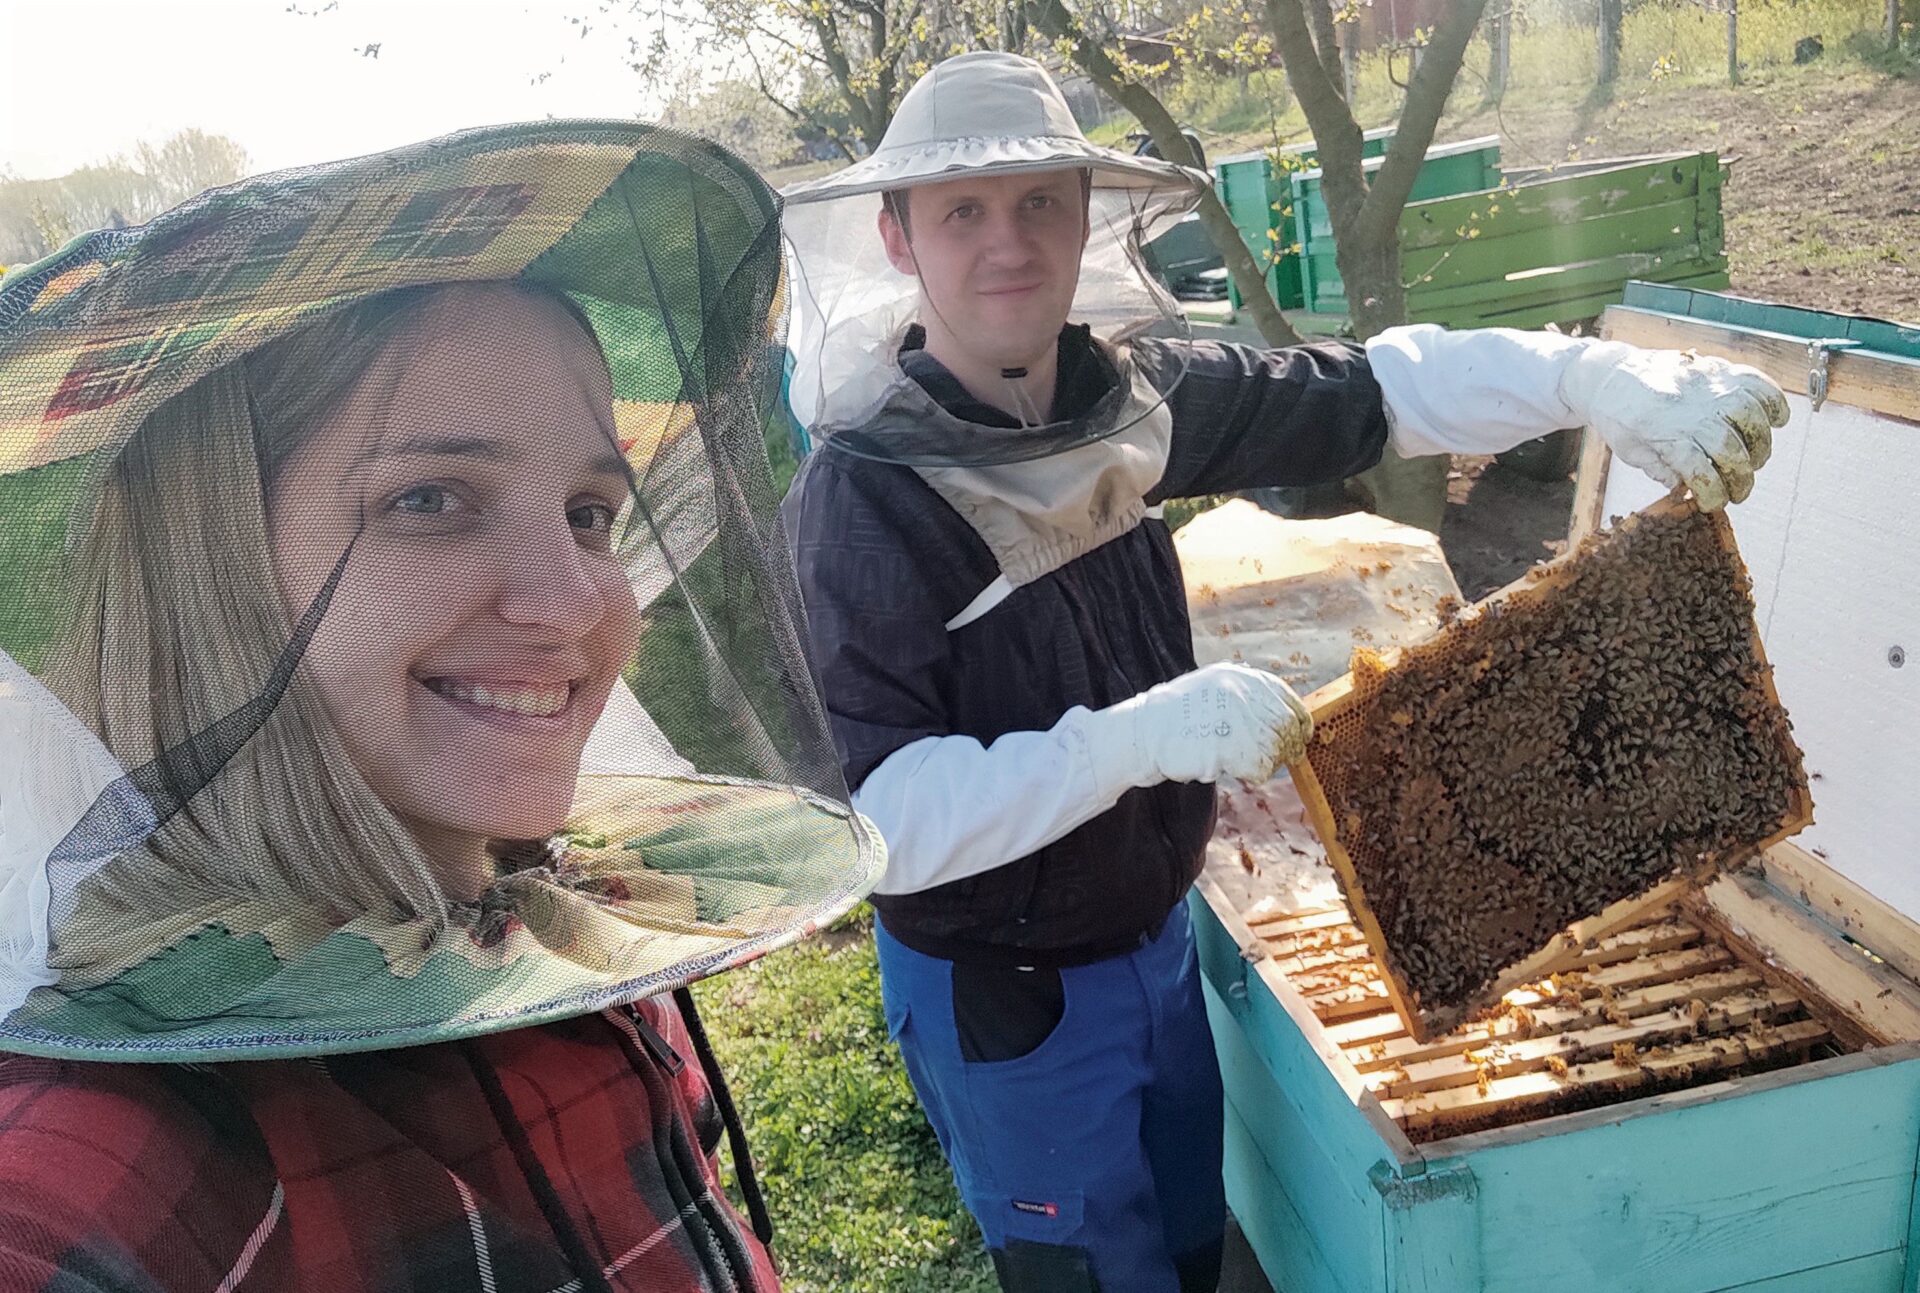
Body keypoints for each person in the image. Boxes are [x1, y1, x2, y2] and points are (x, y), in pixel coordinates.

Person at [779, 51, 1788, 1293]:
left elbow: (1370, 393)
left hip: (1154, 941)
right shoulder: (863, 496)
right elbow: (879, 822)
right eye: (964, 212)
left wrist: (1587, 376)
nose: (1010, 243)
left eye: (1042, 200)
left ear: (1087, 215)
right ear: (896, 237)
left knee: (1199, 1253)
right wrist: (1130, 744)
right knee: (1092, 1277)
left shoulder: (1125, 397)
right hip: (1010, 994)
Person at [0, 123, 881, 1292]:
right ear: (200, 576)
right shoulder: (100, 1176)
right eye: (431, 498)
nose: (577, 602)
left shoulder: (561, 920)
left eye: (587, 510)